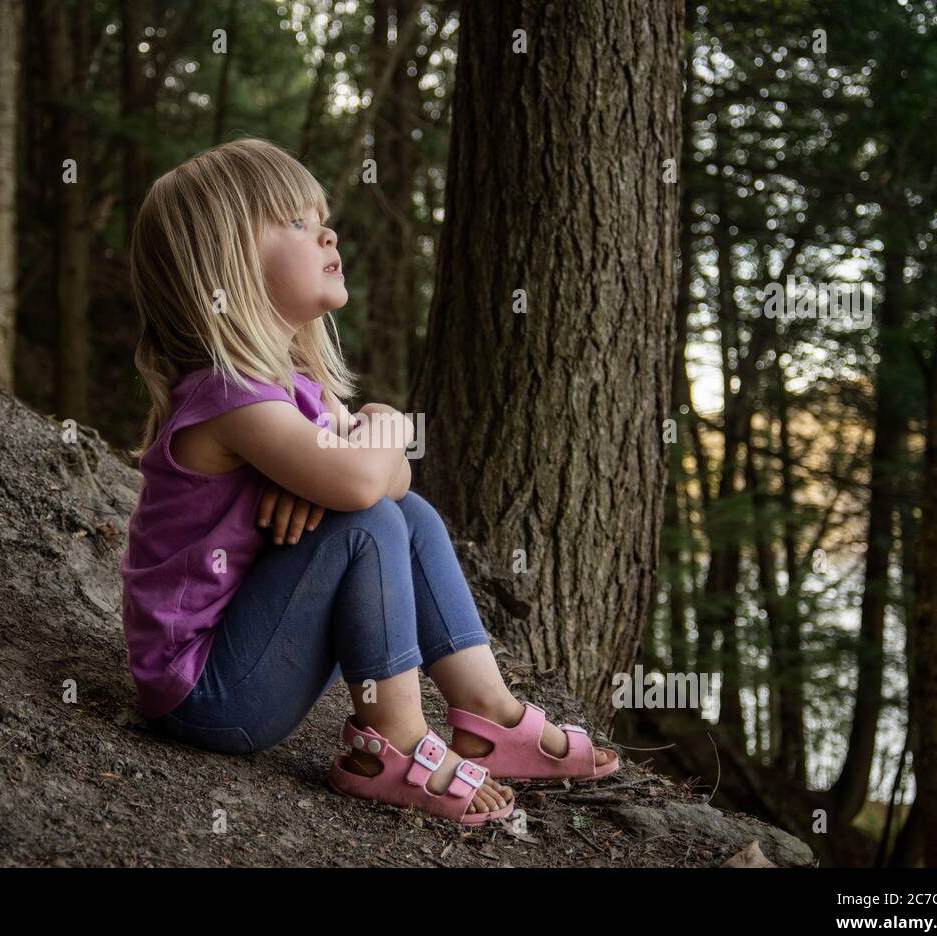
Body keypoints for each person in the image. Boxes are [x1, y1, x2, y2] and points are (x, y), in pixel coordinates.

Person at [121, 137, 618, 827]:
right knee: (368, 520)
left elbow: (395, 476)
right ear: (226, 264)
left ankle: (489, 716)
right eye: (295, 222)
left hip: (259, 648)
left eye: (320, 219)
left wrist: (373, 429)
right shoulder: (228, 397)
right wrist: (375, 441)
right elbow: (363, 485)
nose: (327, 233)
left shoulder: (297, 389)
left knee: (406, 514)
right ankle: (396, 744)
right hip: (207, 692)